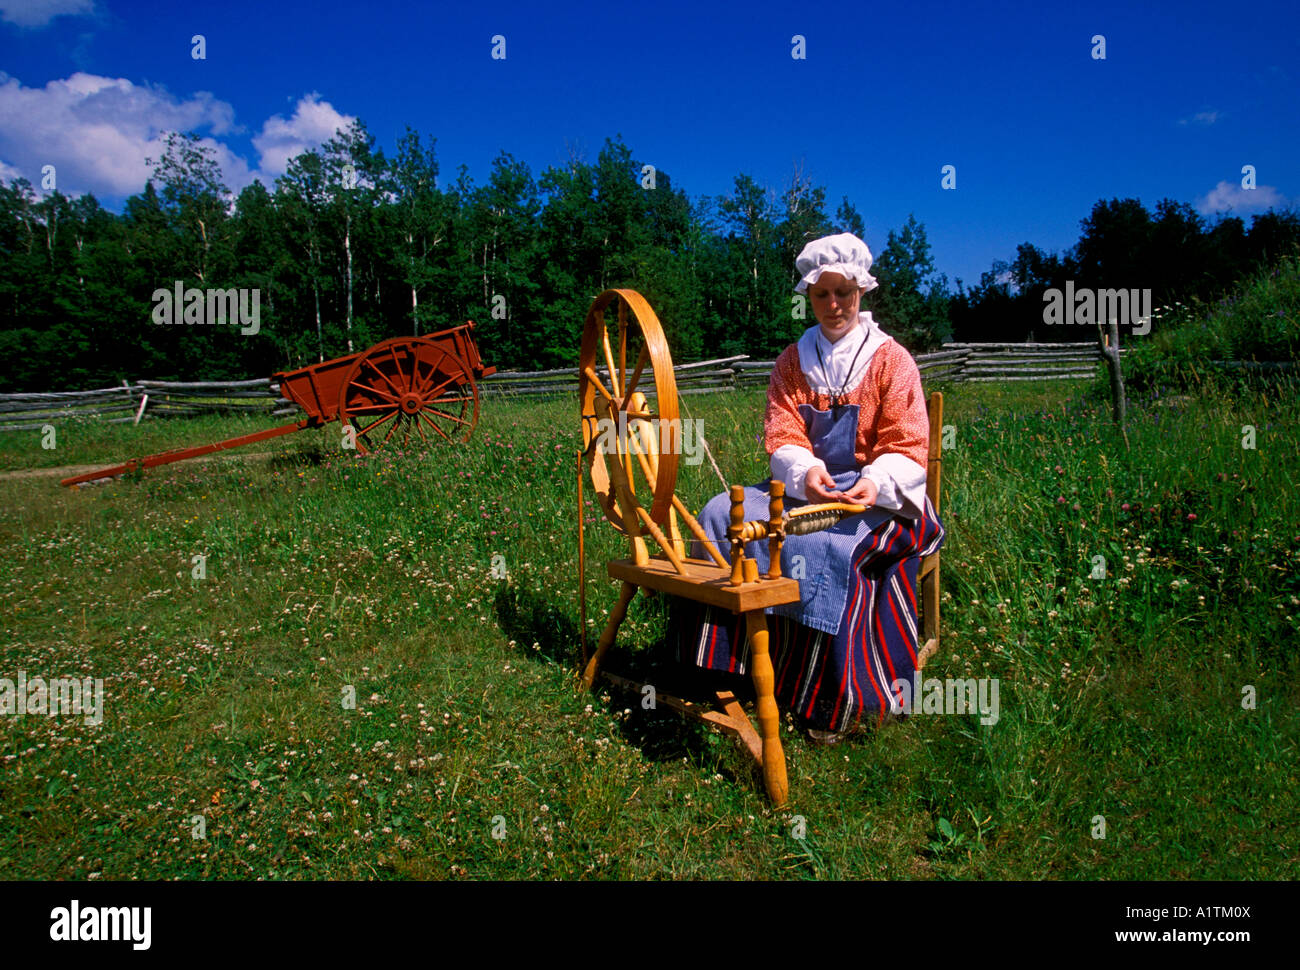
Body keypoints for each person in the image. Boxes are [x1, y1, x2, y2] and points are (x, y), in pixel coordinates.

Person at [673, 232, 946, 742]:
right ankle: (721, 664)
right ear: (809, 296)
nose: (833, 304)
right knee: (716, 515)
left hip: (883, 493)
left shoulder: (892, 361)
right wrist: (804, 472)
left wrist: (874, 481)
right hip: (809, 485)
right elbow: (783, 433)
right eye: (822, 294)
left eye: (843, 291)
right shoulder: (792, 361)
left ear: (861, 290)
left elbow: (908, 443)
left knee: (830, 546)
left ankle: (830, 697)